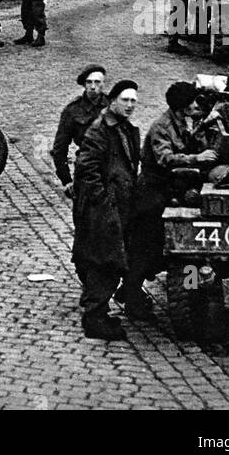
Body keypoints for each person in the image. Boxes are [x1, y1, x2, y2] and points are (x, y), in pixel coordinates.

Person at [129, 83, 218, 303]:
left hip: (171, 190)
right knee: (148, 246)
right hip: (152, 193)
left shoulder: (182, 123)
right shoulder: (162, 126)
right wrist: (197, 159)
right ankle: (132, 295)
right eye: (194, 102)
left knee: (176, 247)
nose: (197, 105)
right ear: (183, 105)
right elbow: (165, 159)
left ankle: (190, 290)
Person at [71, 79, 142, 341]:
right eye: (125, 100)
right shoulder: (100, 130)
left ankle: (98, 313)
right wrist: (104, 204)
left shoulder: (123, 128)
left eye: (134, 100)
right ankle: (94, 318)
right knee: (105, 261)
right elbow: (87, 171)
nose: (130, 105)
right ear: (112, 101)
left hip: (118, 206)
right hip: (104, 209)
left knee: (107, 259)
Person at [50, 64, 109, 196]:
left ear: (103, 83)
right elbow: (60, 149)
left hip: (111, 169)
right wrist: (66, 181)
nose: (93, 86)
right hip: (86, 169)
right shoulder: (72, 111)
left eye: (97, 82)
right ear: (84, 84)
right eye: (89, 82)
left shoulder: (112, 106)